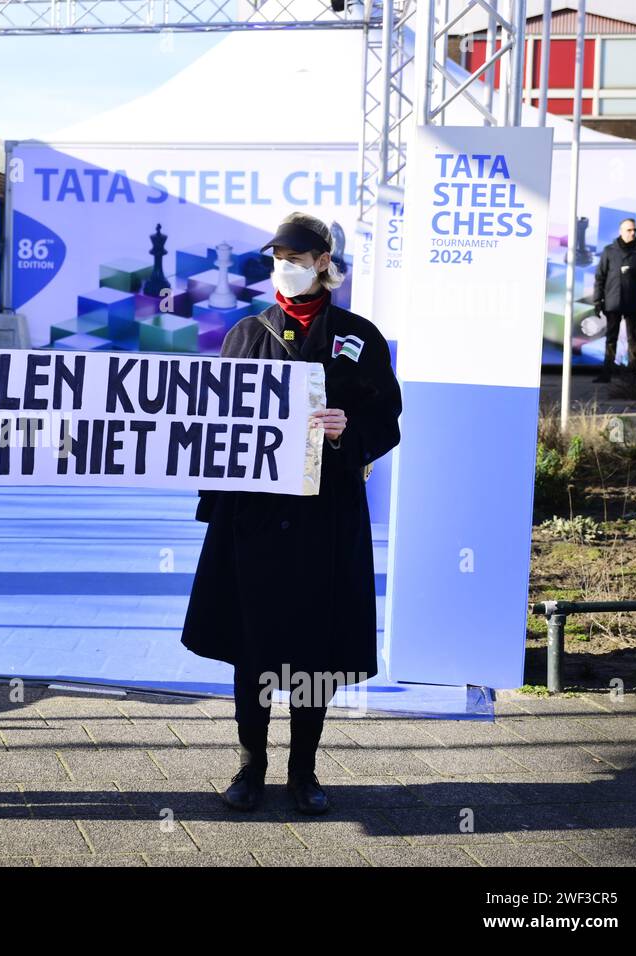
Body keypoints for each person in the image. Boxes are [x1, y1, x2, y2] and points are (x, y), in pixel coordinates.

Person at [181, 212, 402, 816]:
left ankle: (303, 770)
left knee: (315, 648)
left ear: (324, 262)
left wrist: (347, 429)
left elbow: (389, 423)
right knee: (252, 646)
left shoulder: (359, 337)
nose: (288, 266)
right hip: (252, 520)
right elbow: (213, 426)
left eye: (300, 257)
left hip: (324, 520)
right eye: (279, 256)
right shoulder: (246, 333)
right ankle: (250, 767)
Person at [592, 217, 636, 382]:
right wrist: (597, 301)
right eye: (629, 230)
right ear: (621, 231)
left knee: (633, 338)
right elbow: (600, 277)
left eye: (634, 230)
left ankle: (633, 372)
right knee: (611, 337)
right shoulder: (610, 251)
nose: (632, 233)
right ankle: (607, 372)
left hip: (633, 301)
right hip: (613, 300)